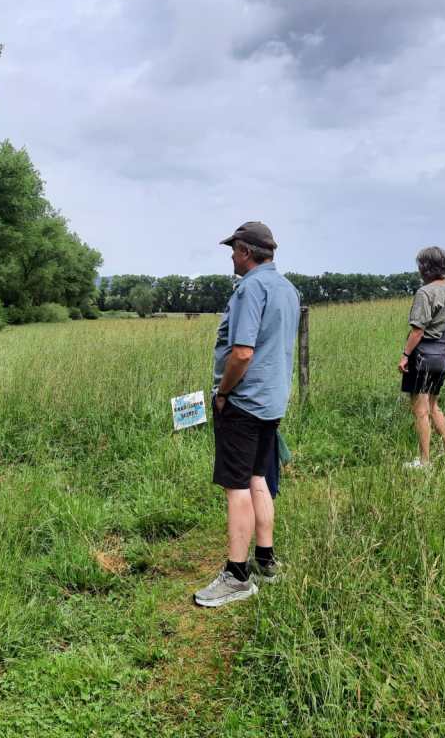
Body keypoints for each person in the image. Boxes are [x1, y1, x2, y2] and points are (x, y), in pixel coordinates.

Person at [194, 221, 300, 608]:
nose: (232, 258)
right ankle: (266, 561)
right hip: (272, 402)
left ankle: (237, 576)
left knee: (236, 485)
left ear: (246, 251)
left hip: (244, 402)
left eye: (234, 250)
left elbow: (242, 352)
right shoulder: (288, 289)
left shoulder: (251, 289)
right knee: (258, 477)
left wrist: (223, 394)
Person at [399, 246, 445, 469]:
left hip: (425, 357)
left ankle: (425, 461)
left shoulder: (425, 292)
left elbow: (417, 331)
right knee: (434, 405)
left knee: (420, 409)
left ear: (425, 267)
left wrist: (405, 355)